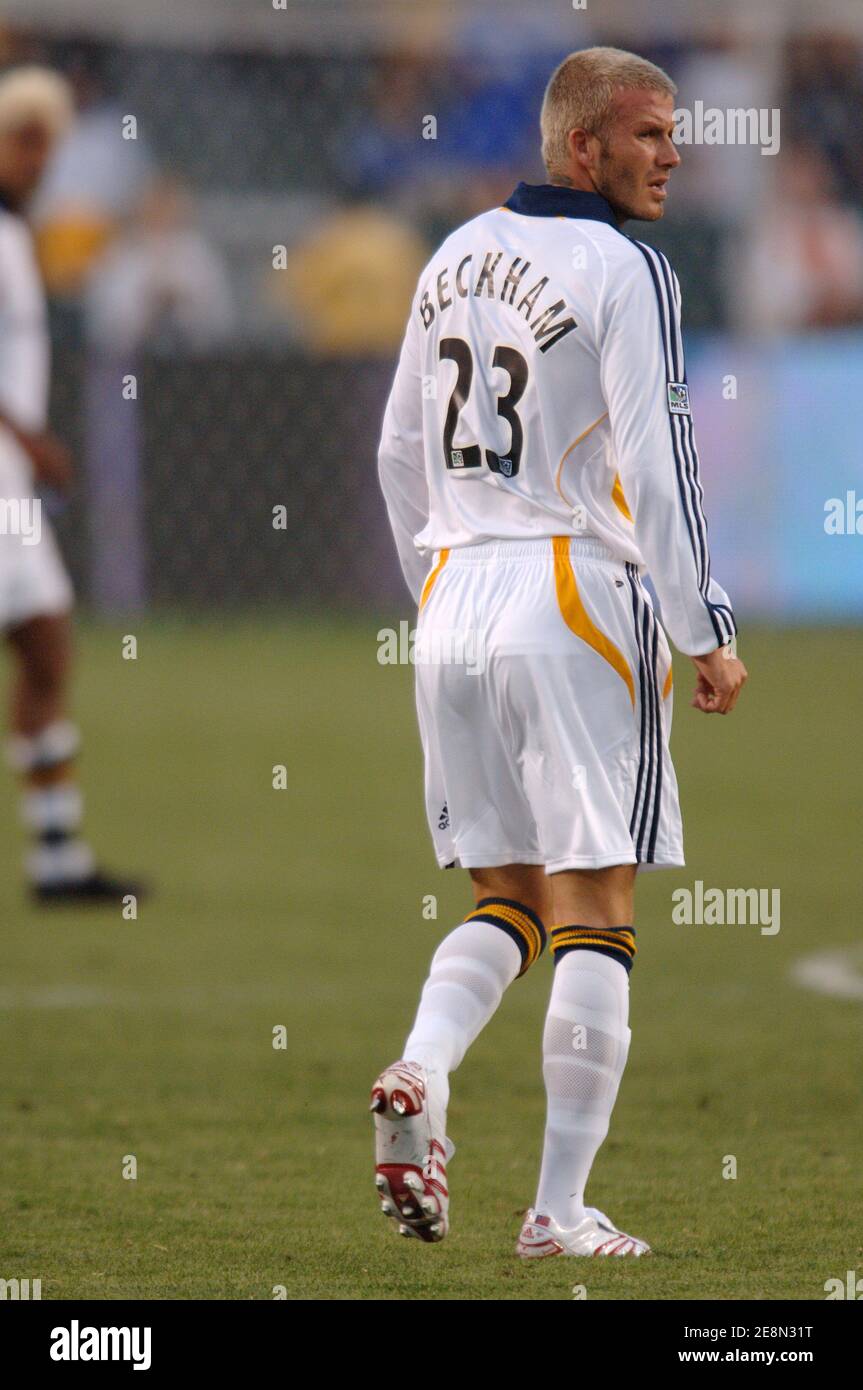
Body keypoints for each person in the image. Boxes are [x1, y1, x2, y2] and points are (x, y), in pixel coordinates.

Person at [373, 46, 747, 1257]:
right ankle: (556, 1209)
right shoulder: (626, 266)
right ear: (582, 146)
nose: (672, 154)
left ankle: (421, 1070)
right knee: (597, 906)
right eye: (647, 134)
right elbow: (656, 461)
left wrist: (433, 589)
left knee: (508, 897)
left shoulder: (449, 252)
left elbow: (394, 456)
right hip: (573, 592)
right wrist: (705, 630)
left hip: (452, 597)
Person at [0, 66, 142, 904]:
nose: (36, 159)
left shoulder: (18, 235)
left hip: (9, 488)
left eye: (44, 144)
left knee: (47, 646)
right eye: (22, 139)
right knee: (46, 644)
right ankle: (58, 858)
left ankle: (58, 858)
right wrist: (30, 435)